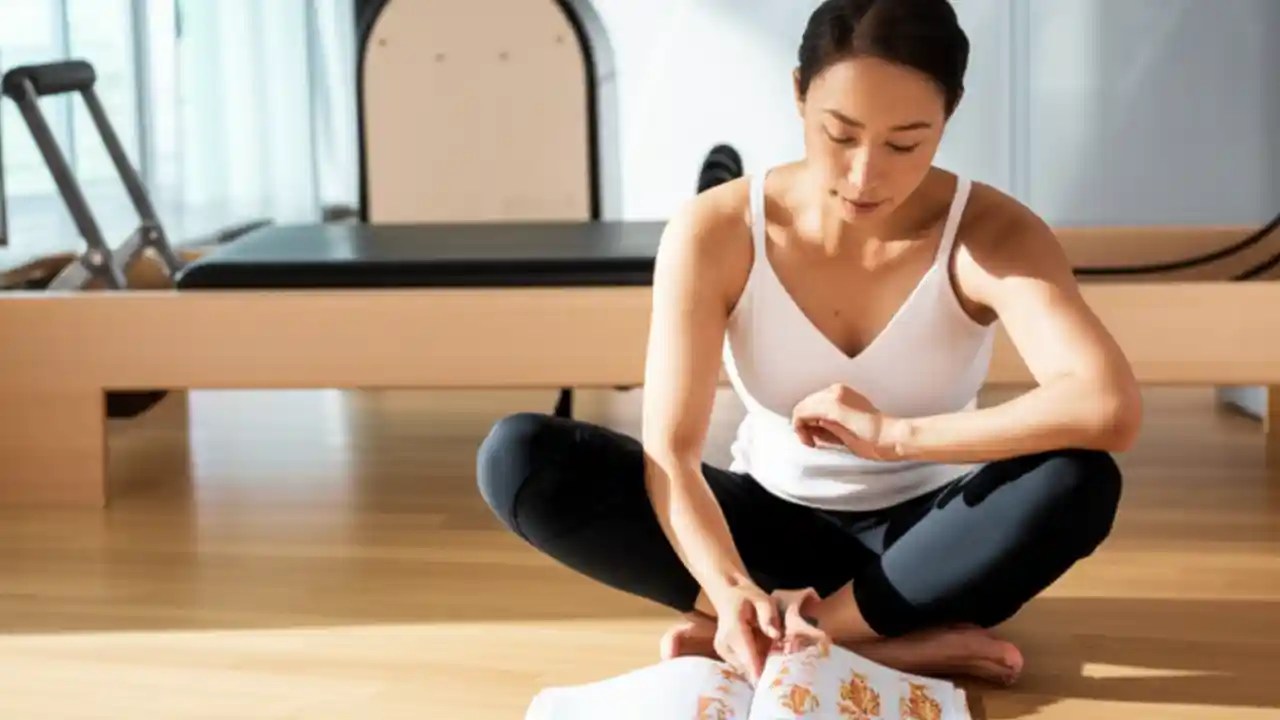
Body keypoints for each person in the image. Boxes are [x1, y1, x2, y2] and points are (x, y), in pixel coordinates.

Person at [476, 0, 1140, 688]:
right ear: (799, 93)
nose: (864, 176)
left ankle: (815, 637)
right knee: (519, 458)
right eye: (840, 135)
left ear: (950, 115)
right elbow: (670, 454)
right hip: (763, 534)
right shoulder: (719, 230)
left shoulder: (990, 231)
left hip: (930, 548)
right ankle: (850, 642)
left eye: (905, 144)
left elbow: (1107, 406)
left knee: (1078, 480)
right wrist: (730, 589)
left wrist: (898, 436)